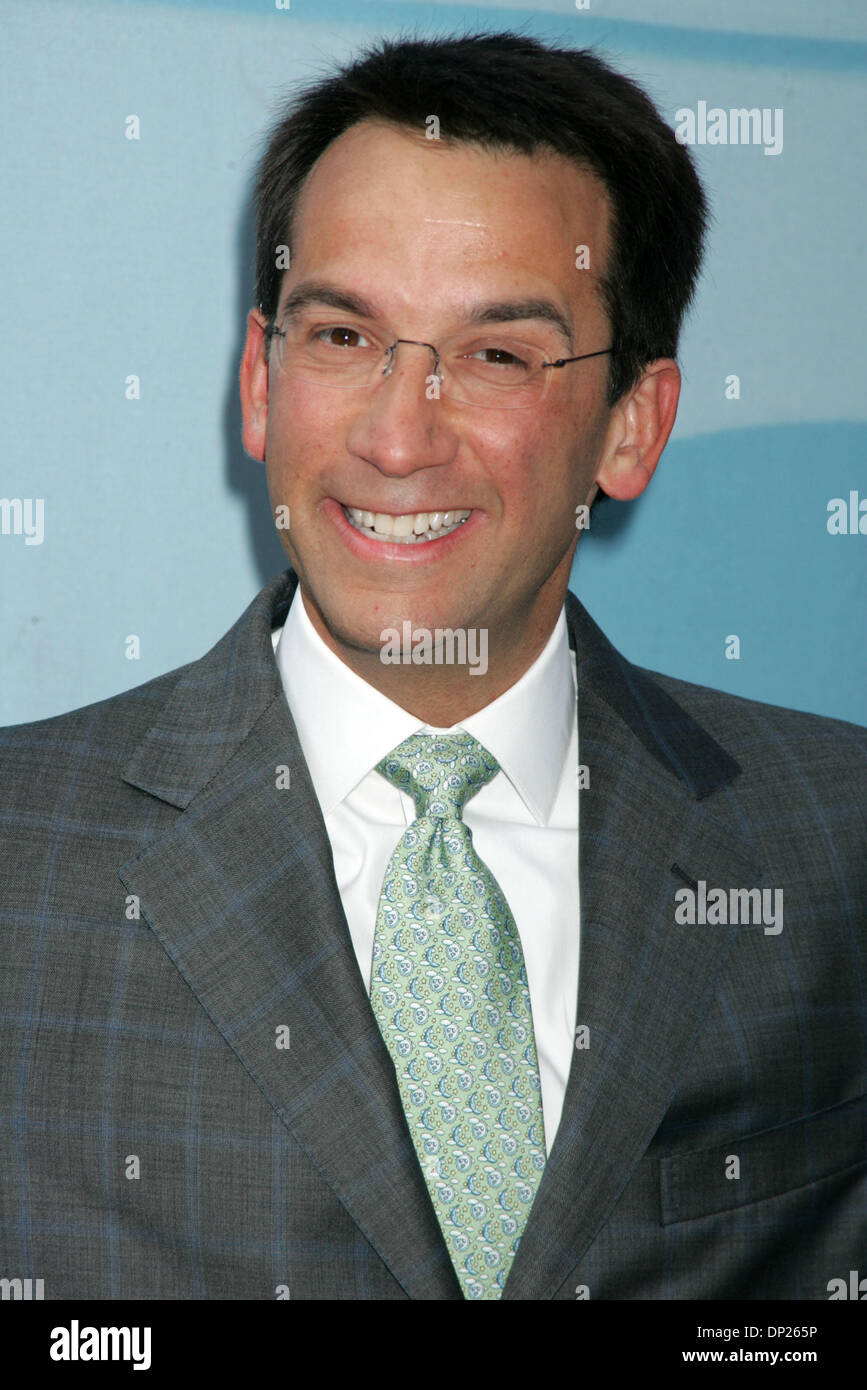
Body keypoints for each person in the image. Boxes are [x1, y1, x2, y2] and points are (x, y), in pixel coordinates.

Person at [1, 31, 864, 1303]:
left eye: (497, 355)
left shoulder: (834, 842)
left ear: (633, 424)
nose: (399, 436)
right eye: (344, 335)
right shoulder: (20, 854)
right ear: (259, 379)